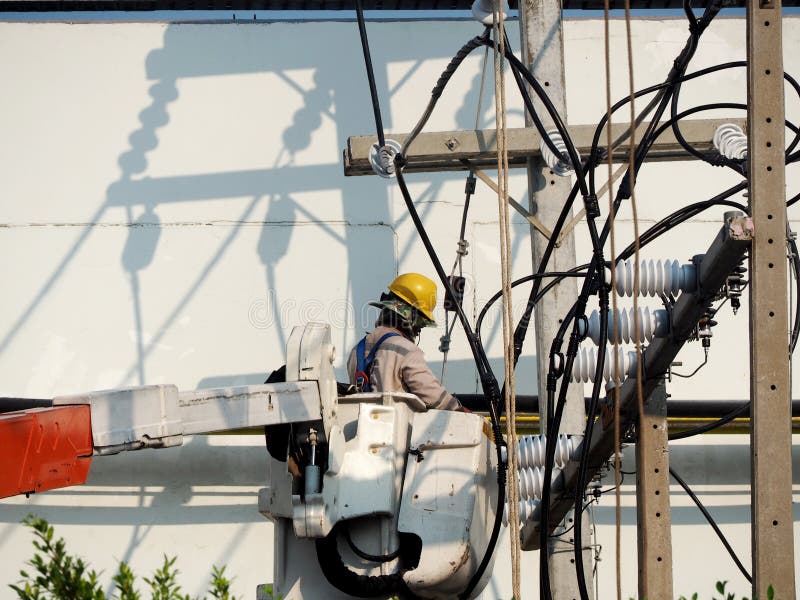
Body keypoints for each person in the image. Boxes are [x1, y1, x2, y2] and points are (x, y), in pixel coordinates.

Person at [347, 273, 466, 412]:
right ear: (411, 317)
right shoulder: (405, 350)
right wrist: (459, 409)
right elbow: (434, 397)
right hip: (394, 429)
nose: (419, 329)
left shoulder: (356, 350)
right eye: (421, 323)